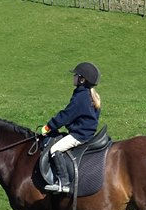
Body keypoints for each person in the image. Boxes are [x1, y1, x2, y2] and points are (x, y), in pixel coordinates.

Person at [39, 62, 102, 193]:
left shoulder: (81, 97)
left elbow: (66, 115)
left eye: (75, 75)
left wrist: (48, 127)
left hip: (79, 135)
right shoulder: (90, 95)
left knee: (54, 149)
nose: (73, 77)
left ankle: (64, 182)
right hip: (86, 132)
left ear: (82, 79)